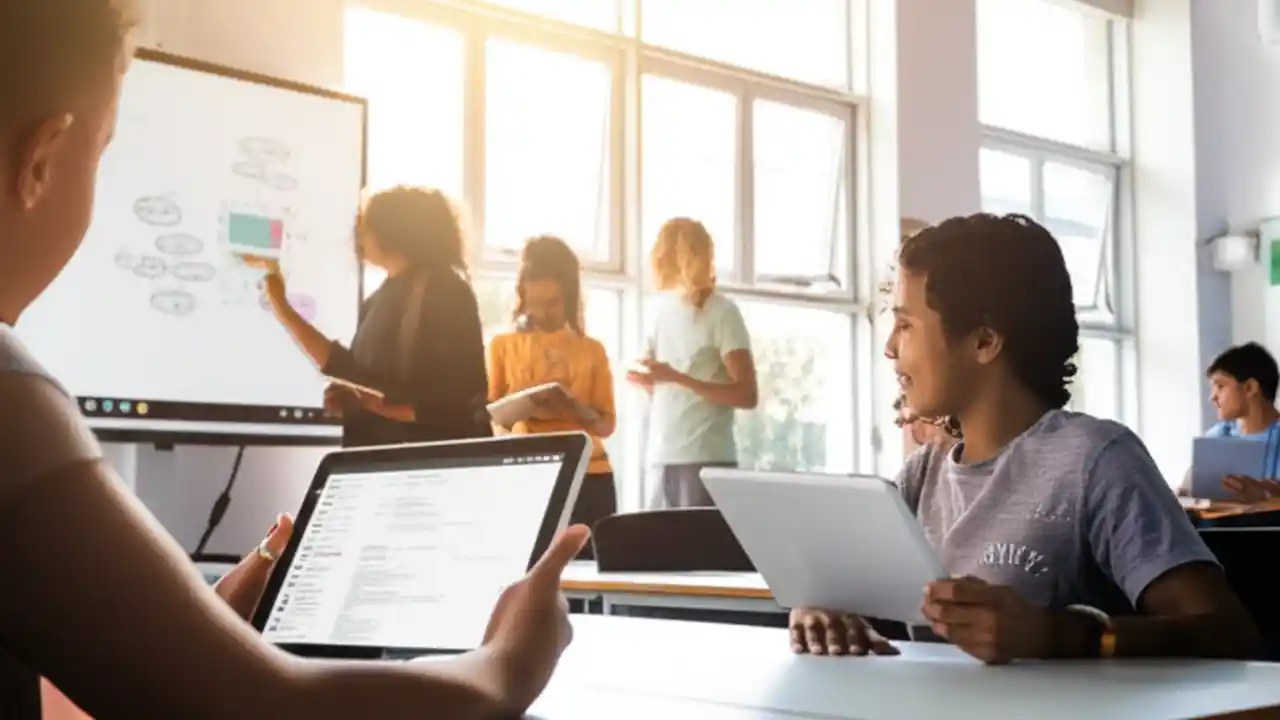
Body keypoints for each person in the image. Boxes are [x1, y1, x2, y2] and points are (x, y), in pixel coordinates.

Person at [0, 2, 585, 717]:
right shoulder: (10, 403)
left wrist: (201, 633)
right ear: (41, 160)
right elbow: (275, 711)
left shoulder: (434, 293)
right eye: (104, 151)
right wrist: (509, 662)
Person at [790, 214, 1260, 664]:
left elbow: (1228, 633)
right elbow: (860, 604)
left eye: (906, 324)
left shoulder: (1095, 459)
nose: (890, 347)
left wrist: (1053, 633)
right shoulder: (922, 474)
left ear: (984, 342)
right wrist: (825, 614)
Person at [258, 186, 491, 448]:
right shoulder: (379, 298)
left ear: (391, 233)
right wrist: (352, 399)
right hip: (377, 455)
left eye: (366, 227)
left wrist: (385, 406)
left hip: (420, 463)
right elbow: (356, 373)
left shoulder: (446, 291)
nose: (359, 237)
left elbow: (460, 396)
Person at [488, 236, 618, 554]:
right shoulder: (502, 346)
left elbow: (606, 426)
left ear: (570, 299)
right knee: (528, 573)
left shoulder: (592, 351)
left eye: (553, 302)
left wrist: (571, 407)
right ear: (523, 297)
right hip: (528, 472)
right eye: (536, 301)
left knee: (589, 573)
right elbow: (493, 420)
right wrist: (521, 407)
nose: (544, 311)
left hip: (590, 475)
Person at [627, 218, 758, 509]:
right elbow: (661, 383)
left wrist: (679, 378)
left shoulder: (723, 313)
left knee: (699, 552)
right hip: (662, 455)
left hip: (706, 457)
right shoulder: (662, 312)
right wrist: (649, 381)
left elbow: (747, 395)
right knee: (658, 552)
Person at [1177, 343, 1280, 501]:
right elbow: (1185, 493)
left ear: (1250, 387)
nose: (1212, 397)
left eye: (1220, 386)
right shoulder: (1215, 438)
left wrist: (1265, 495)